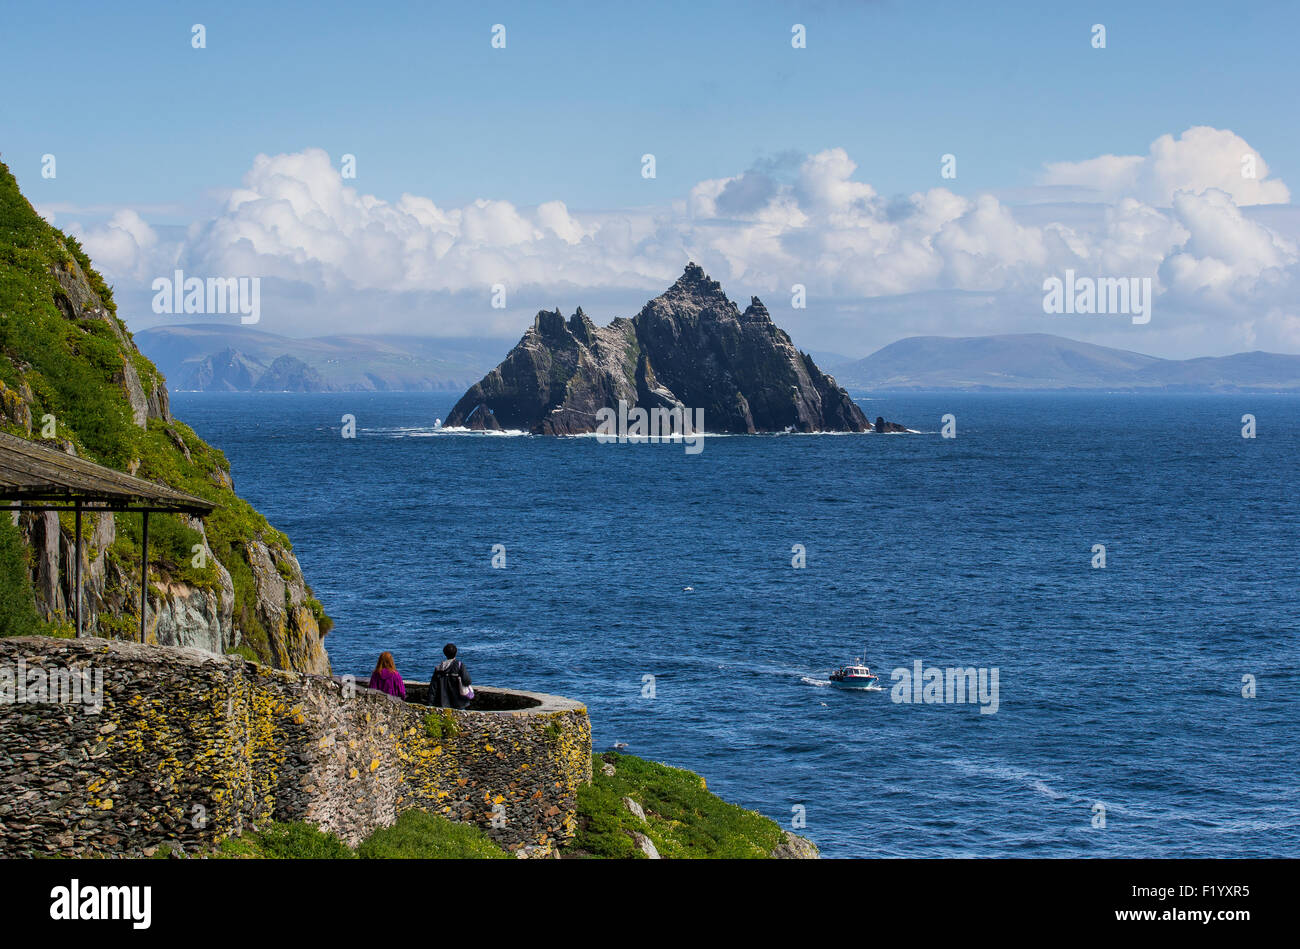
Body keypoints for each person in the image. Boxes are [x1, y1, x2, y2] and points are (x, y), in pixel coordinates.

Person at [428, 642, 472, 709]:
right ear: (456, 653)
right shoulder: (459, 666)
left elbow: (433, 688)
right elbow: (467, 681)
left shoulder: (438, 668)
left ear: (445, 653)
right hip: (459, 702)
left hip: (442, 702)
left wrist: (430, 704)